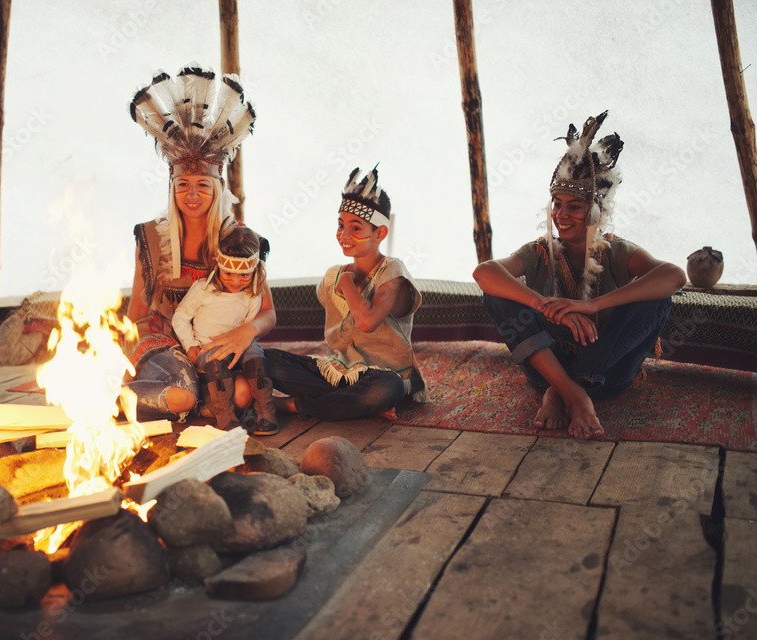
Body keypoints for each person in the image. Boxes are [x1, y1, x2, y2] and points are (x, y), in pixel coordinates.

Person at [472, 111, 686, 439]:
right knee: (497, 293)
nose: (561, 214)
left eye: (574, 206)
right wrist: (543, 303)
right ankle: (575, 395)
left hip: (609, 375)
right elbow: (484, 272)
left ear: (595, 211)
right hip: (544, 371)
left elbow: (673, 275)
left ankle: (561, 393)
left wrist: (593, 306)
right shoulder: (539, 251)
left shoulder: (617, 251)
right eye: (557, 204)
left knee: (656, 300)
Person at [124, 65, 276, 421]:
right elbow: (135, 311)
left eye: (202, 186)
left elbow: (267, 311)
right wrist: (124, 357)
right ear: (172, 187)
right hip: (162, 341)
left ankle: (186, 400)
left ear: (217, 188)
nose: (192, 196)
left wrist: (246, 332)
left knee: (240, 395)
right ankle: (110, 396)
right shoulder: (150, 237)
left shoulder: (239, 240)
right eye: (183, 185)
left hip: (214, 342)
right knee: (183, 396)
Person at [266, 167, 428, 421]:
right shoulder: (332, 275)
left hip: (383, 374)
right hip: (338, 372)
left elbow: (366, 322)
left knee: (385, 389)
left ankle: (292, 406)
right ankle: (357, 405)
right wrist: (341, 278)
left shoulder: (392, 271)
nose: (344, 235)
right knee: (264, 358)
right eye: (341, 225)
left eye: (355, 228)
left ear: (380, 233)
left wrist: (346, 283)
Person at [172, 226, 277, 434]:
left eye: (245, 275)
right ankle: (226, 419)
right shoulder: (203, 289)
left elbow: (248, 326)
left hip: (238, 346)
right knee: (215, 360)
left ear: (255, 270)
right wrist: (190, 345)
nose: (236, 281)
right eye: (228, 272)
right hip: (208, 349)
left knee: (256, 355)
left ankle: (266, 413)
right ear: (218, 265)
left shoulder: (252, 294)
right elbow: (180, 318)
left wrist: (247, 344)